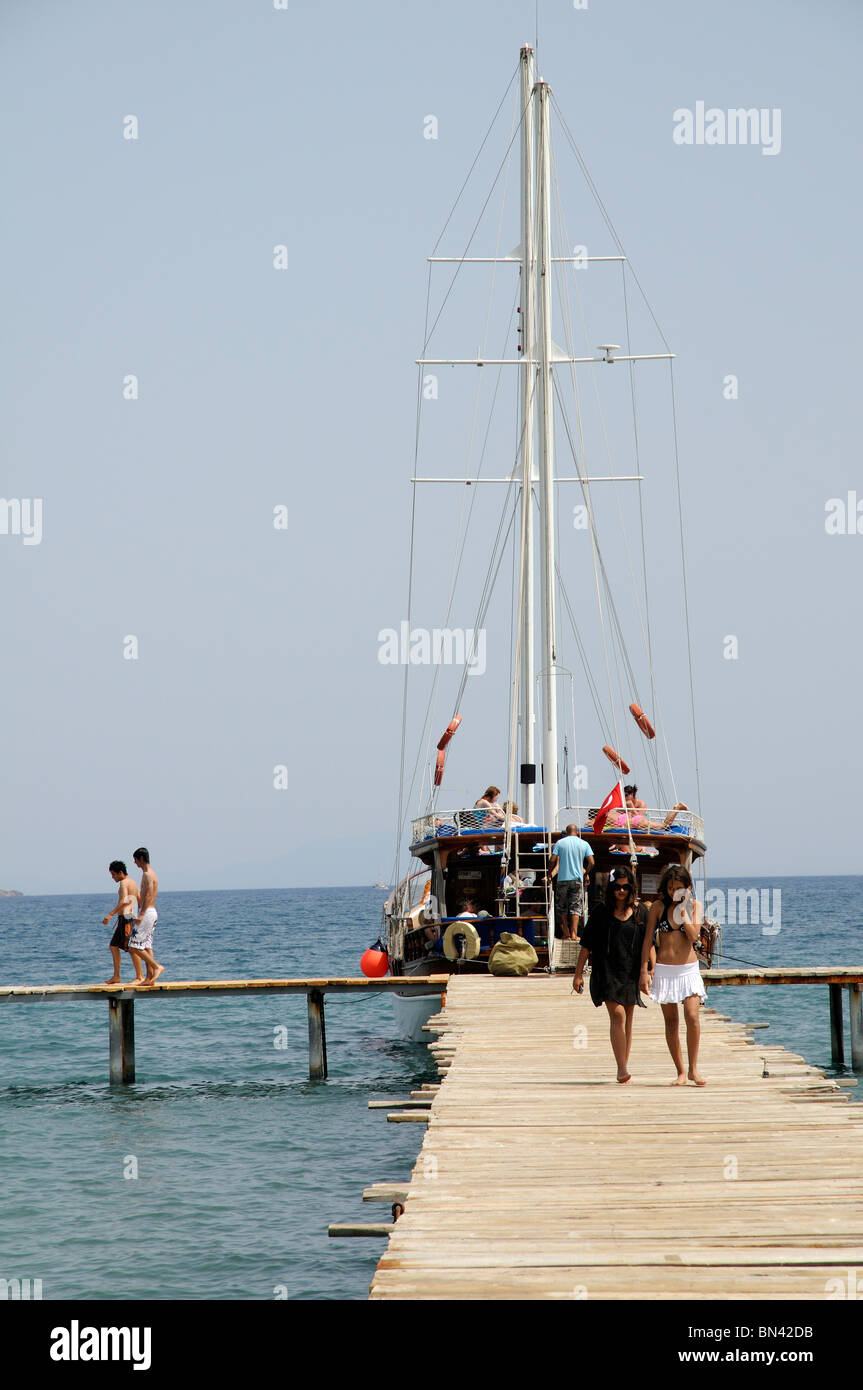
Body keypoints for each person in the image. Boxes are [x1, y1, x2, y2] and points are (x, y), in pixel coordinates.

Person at [572, 866, 648, 1083]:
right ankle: (622, 1068)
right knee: (618, 1016)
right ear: (611, 888)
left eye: (625, 887)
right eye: (617, 887)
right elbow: (586, 945)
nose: (621, 891)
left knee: (629, 1020)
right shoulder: (600, 913)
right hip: (606, 971)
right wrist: (578, 975)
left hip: (630, 972)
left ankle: (623, 1064)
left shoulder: (641, 912)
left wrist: (650, 969)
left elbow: (647, 944)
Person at [639, 864, 706, 1085]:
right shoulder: (658, 907)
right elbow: (648, 940)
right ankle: (680, 1071)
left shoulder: (695, 906)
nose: (673, 892)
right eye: (670, 888)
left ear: (688, 887)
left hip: (688, 969)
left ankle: (694, 1069)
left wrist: (683, 912)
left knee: (692, 1016)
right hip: (665, 970)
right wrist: (645, 970)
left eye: (678, 888)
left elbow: (695, 936)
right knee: (671, 1022)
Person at [102, 861, 145, 984]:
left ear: (120, 872)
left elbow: (123, 901)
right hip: (127, 918)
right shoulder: (133, 883)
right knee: (114, 946)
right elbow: (140, 900)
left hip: (127, 918)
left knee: (131, 948)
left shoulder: (123, 883)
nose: (113, 877)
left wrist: (110, 914)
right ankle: (116, 976)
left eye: (114, 875)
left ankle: (140, 976)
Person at [549, 824, 594, 940]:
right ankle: (574, 934)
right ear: (577, 832)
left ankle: (566, 933)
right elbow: (592, 862)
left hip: (562, 880)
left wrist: (549, 874)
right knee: (576, 907)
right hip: (577, 880)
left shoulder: (560, 843)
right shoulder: (584, 844)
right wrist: (585, 873)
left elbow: (552, 860)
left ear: (567, 832)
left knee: (561, 907)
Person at [128, 847, 164, 986]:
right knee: (147, 945)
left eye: (136, 859)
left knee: (134, 946)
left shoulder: (147, 875)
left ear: (141, 859)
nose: (135, 862)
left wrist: (141, 914)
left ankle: (156, 967)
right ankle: (149, 979)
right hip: (151, 911)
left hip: (147, 912)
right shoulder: (152, 873)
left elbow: (148, 894)